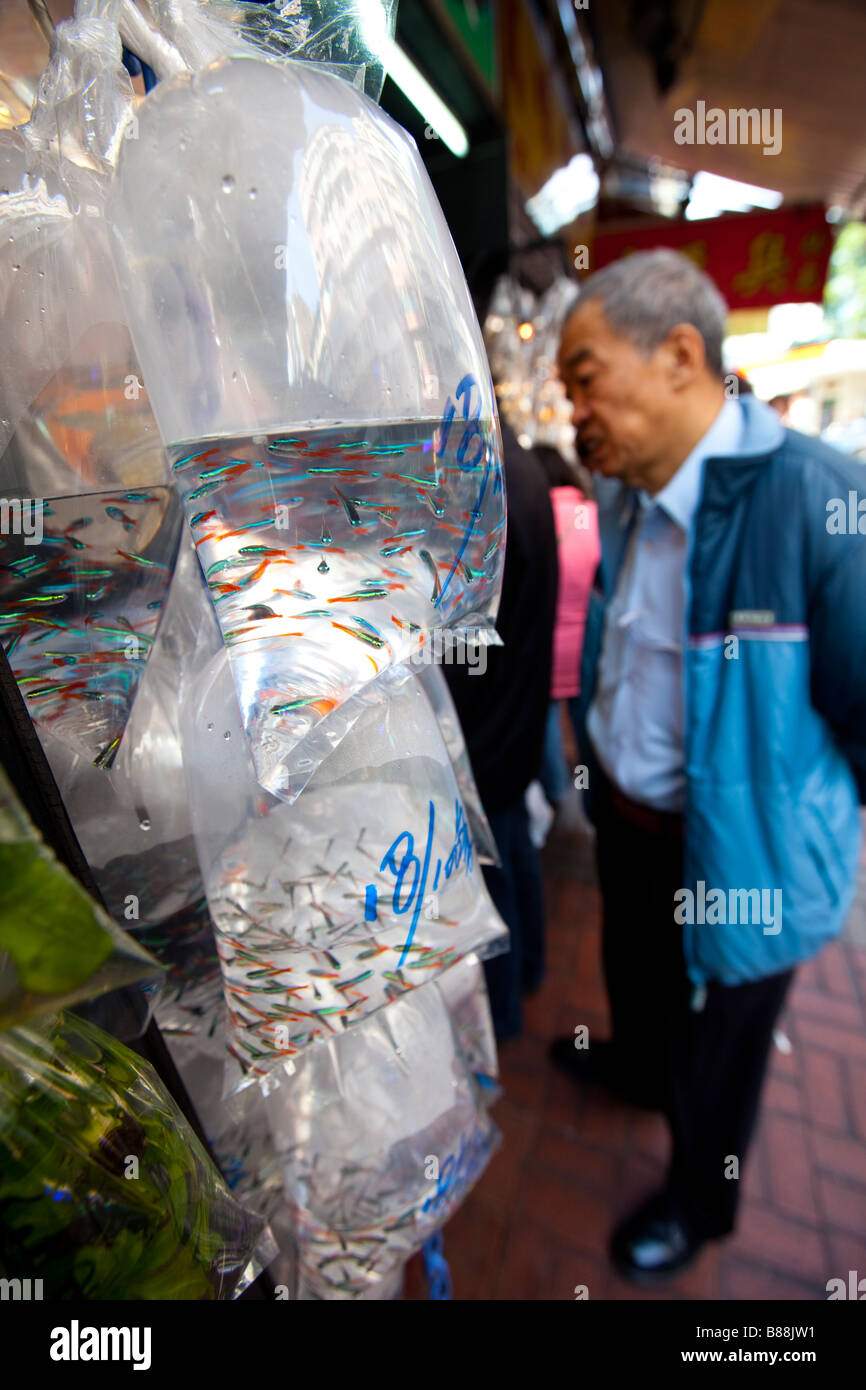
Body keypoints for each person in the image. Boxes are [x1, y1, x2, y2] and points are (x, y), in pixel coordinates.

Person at [549, 249, 866, 1283]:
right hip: (638, 831)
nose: (571, 413)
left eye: (585, 377)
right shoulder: (631, 496)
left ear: (679, 355)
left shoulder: (818, 503)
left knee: (723, 1052)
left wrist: (797, 842)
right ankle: (637, 1070)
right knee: (636, 985)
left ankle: (700, 1200)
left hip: (749, 861)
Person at [446, 419, 558, 1041]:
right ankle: (531, 973)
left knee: (493, 886)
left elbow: (468, 642)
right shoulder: (523, 467)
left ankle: (506, 1014)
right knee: (513, 863)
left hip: (488, 735)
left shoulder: (489, 481)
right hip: (513, 725)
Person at [533, 444, 600, 807]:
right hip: (586, 638)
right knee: (584, 716)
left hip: (545, 638)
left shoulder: (534, 514)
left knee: (546, 722)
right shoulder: (590, 515)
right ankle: (587, 788)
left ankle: (557, 794)